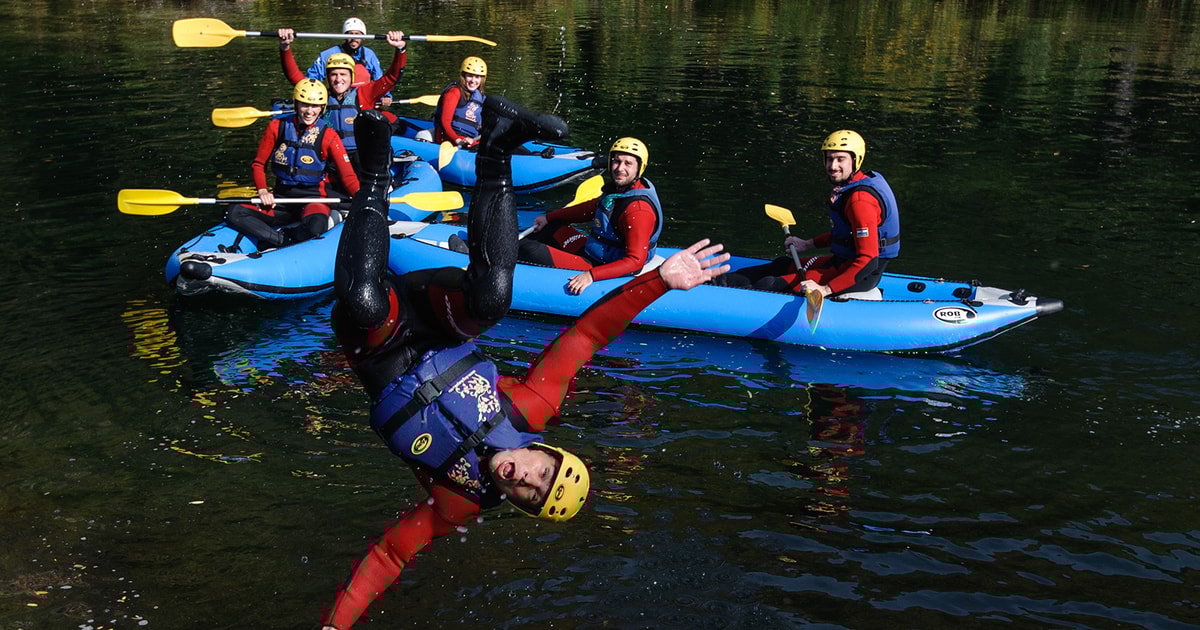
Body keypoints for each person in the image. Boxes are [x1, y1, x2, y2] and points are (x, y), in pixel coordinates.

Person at [321, 105, 729, 629]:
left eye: (531, 494)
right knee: (492, 297)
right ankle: (498, 146)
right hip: (434, 317)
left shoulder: (458, 502)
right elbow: (588, 335)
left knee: (363, 301)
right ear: (543, 450)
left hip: (377, 346)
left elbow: (391, 556)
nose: (525, 479)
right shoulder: (531, 406)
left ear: (517, 505)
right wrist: (658, 282)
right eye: (541, 472)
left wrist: (336, 626)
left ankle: (373, 177)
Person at [718, 130, 900, 297]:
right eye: (829, 159)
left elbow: (869, 261)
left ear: (855, 160)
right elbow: (846, 235)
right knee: (781, 265)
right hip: (841, 262)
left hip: (859, 274)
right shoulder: (857, 185)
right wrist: (807, 244)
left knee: (770, 284)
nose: (833, 166)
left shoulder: (860, 200)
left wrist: (825, 289)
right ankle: (714, 282)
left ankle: (716, 299)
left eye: (840, 159)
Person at [517, 137, 664, 295]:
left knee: (527, 248)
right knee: (549, 228)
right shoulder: (620, 189)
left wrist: (591, 276)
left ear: (639, 168)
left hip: (598, 264)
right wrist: (549, 217)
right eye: (616, 161)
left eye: (628, 163)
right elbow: (591, 208)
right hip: (594, 251)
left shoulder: (639, 211)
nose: (620, 168)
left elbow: (635, 261)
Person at [224, 79, 359, 249]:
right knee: (234, 212)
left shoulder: (329, 136)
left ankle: (277, 240)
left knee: (316, 228)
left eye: (315, 106)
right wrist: (263, 190)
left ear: (322, 108)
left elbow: (347, 175)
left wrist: (361, 196)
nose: (309, 111)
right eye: (305, 105)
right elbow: (258, 164)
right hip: (282, 199)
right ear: (296, 104)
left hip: (313, 200)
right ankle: (283, 241)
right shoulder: (277, 126)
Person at [278, 27, 406, 173]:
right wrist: (285, 47)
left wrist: (400, 50)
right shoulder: (319, 96)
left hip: (360, 154)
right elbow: (294, 77)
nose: (339, 79)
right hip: (332, 155)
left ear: (351, 76)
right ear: (327, 76)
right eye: (334, 74)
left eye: (343, 74)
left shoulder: (365, 93)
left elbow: (391, 78)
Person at [305, 17, 393, 107]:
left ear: (363, 37)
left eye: (357, 34)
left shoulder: (369, 55)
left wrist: (385, 96)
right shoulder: (328, 54)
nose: (354, 38)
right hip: (336, 100)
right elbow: (312, 78)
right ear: (344, 36)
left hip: (363, 101)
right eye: (350, 34)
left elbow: (379, 79)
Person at [431, 56, 487, 147]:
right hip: (450, 139)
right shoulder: (454, 92)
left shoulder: (481, 98)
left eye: (477, 77)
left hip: (471, 140)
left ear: (482, 79)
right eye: (470, 76)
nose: (473, 81)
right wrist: (457, 140)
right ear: (463, 76)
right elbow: (445, 122)